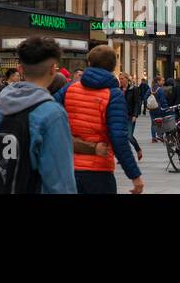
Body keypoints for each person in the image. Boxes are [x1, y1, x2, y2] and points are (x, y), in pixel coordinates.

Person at [0, 37, 78, 194]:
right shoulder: (52, 113)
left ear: (20, 69)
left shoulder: (2, 107)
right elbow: (60, 182)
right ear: (52, 69)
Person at [56, 44, 144, 195]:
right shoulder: (113, 94)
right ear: (113, 67)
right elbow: (118, 138)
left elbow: (49, 112)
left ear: (89, 63)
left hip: (68, 169)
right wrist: (135, 176)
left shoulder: (70, 88)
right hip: (99, 171)